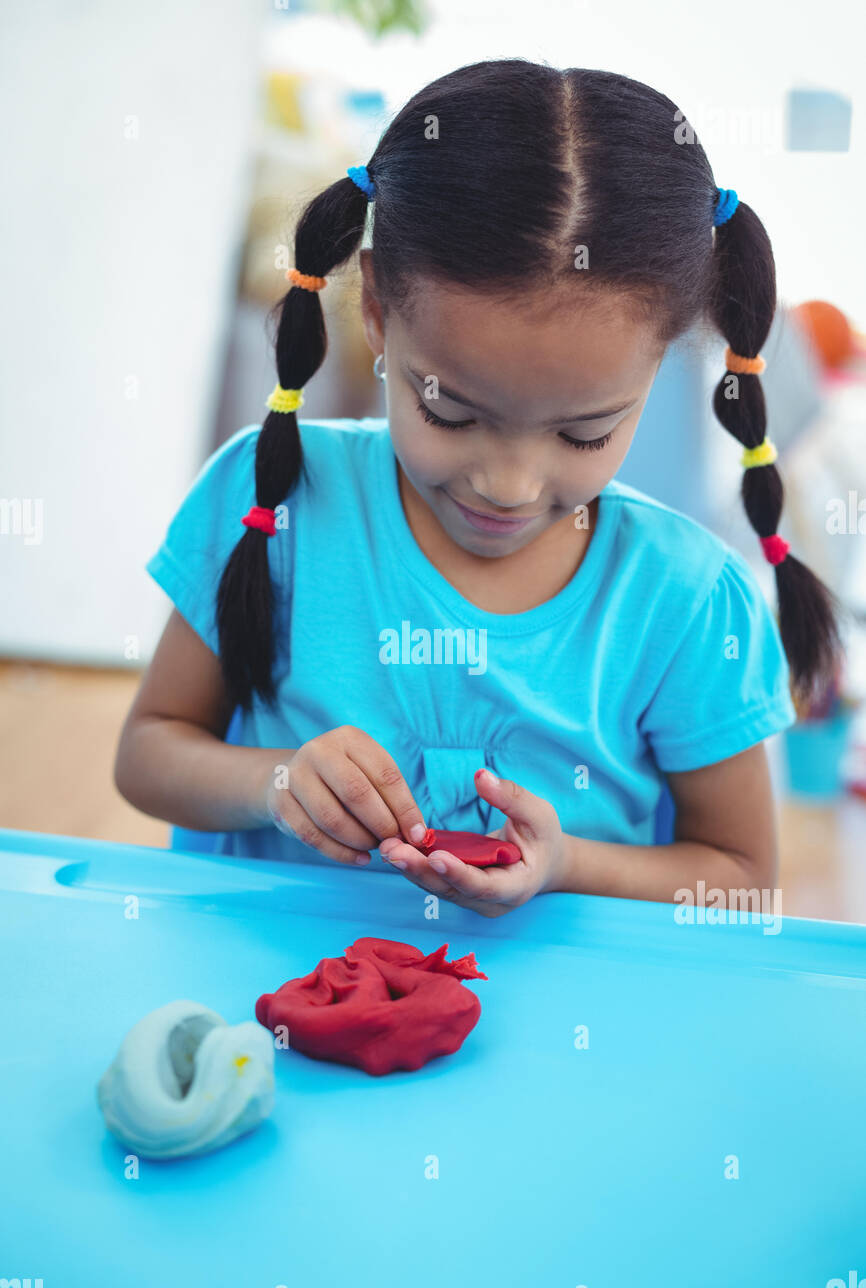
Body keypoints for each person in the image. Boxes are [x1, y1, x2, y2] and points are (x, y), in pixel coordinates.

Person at [115, 60, 840, 918]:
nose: (508, 484)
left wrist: (565, 863)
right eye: (450, 411)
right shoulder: (276, 498)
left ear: (666, 361)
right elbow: (148, 754)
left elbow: (740, 881)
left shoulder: (682, 600)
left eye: (583, 432)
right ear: (378, 307)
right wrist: (275, 781)